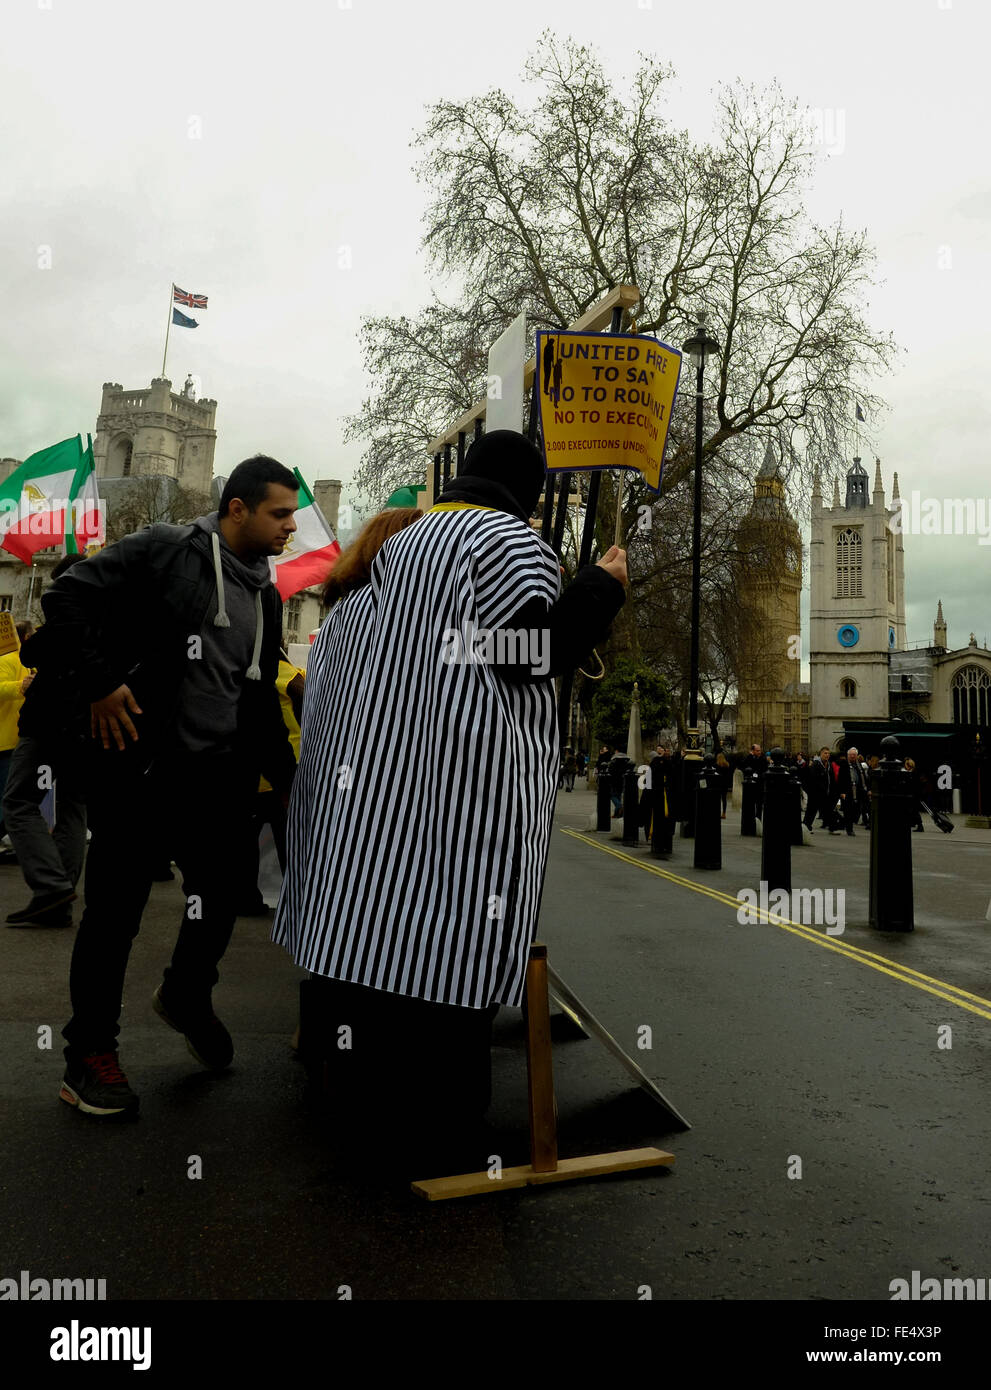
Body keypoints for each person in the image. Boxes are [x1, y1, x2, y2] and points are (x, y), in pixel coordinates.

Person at [273, 429, 627, 1169]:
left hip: (369, 807)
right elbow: (527, 651)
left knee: (375, 947)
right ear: (528, 493)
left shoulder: (387, 558)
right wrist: (600, 587)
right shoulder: (503, 538)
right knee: (447, 954)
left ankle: (365, 1108)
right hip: (459, 804)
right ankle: (441, 1138)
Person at [49, 456, 299, 1119]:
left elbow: (255, 700)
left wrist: (291, 783)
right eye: (279, 513)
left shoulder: (264, 594)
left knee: (220, 898)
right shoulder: (166, 550)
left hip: (215, 784)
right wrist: (101, 681)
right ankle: (88, 1056)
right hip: (139, 774)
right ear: (237, 509)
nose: (290, 528)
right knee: (113, 919)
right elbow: (64, 595)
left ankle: (186, 995)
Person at [3, 554, 90, 921]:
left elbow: (33, 651)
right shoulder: (110, 614)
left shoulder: (66, 612)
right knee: (73, 808)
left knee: (19, 802)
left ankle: (51, 886)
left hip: (49, 723)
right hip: (86, 726)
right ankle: (58, 898)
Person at [837, 745, 868, 836]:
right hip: (847, 791)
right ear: (848, 755)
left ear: (857, 755)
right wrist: (842, 792)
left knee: (856, 811)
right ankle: (849, 829)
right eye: (851, 755)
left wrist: (867, 788)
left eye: (854, 755)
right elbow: (840, 779)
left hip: (858, 791)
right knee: (848, 811)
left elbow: (863, 778)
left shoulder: (859, 765)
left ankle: (843, 823)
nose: (852, 756)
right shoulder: (844, 764)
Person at [715, 751, 731, 818]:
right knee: (724, 799)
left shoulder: (716, 765)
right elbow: (728, 775)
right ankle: (724, 813)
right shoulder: (727, 765)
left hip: (718, 784)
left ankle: (717, 812)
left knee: (717, 799)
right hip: (725, 784)